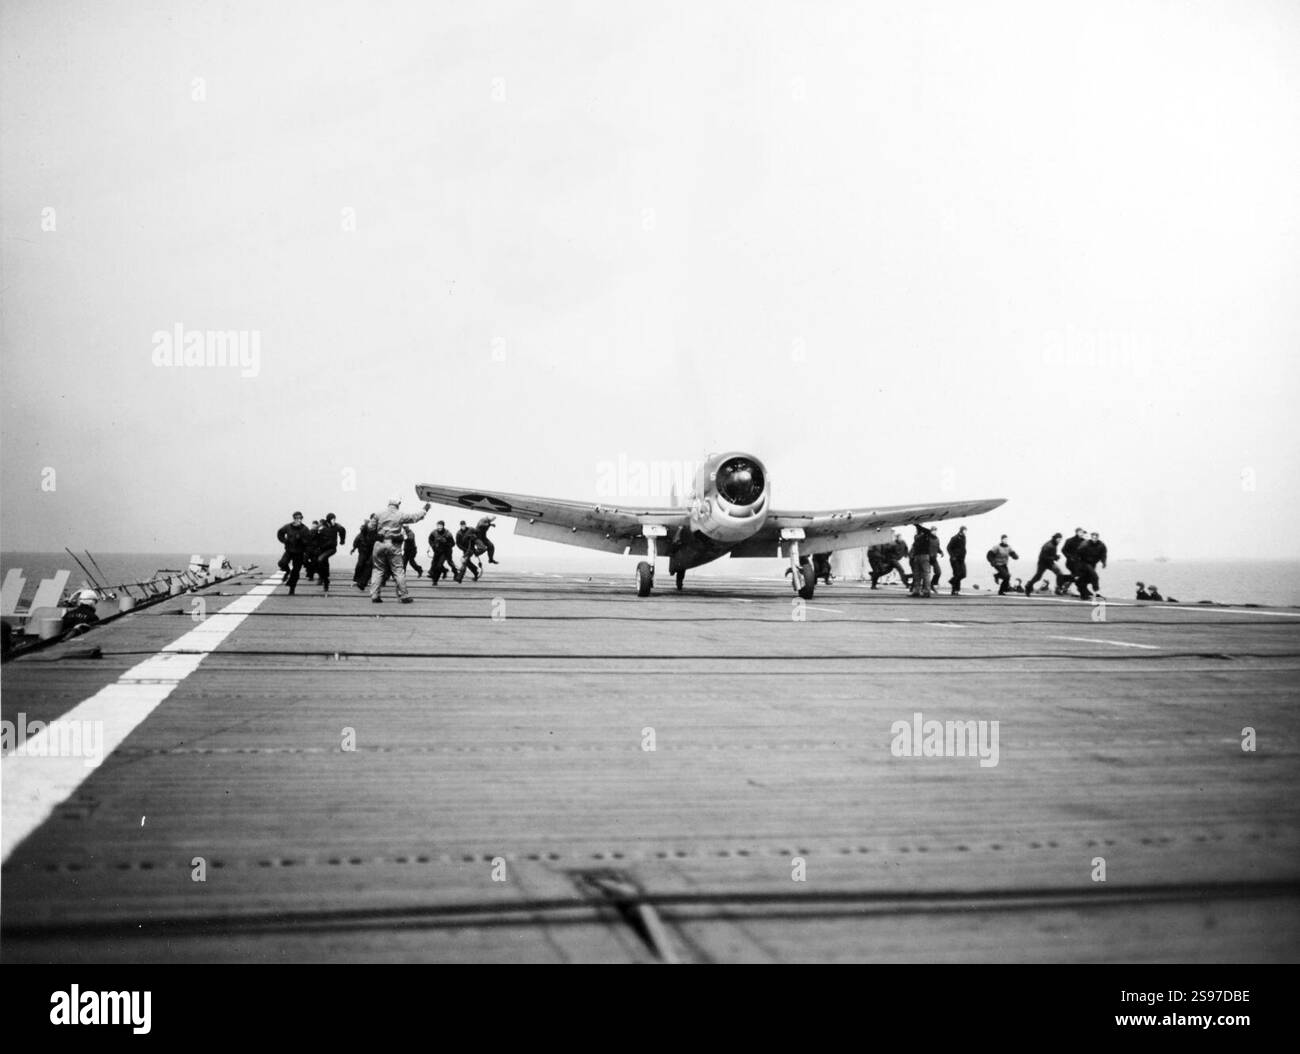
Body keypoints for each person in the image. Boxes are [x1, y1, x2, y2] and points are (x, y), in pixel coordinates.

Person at [370, 498, 431, 603]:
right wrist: (425, 509)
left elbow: (370, 527)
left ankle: (375, 595)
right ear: (398, 504)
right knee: (398, 571)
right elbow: (415, 517)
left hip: (379, 544)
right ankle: (403, 595)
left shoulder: (378, 514)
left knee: (378, 570)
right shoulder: (400, 515)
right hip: (394, 545)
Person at [277, 511, 312, 596]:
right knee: (282, 563)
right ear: (294, 518)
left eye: (300, 518)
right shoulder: (288, 527)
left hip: (299, 553)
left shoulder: (305, 529)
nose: (298, 520)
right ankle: (287, 571)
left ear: (301, 519)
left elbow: (308, 543)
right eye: (296, 518)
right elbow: (280, 533)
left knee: (295, 572)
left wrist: (306, 555)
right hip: (289, 551)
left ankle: (292, 589)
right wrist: (285, 541)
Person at [312, 517, 339, 592]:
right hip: (319, 550)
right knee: (321, 563)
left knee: (321, 561)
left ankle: (324, 580)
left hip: (327, 549)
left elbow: (332, 542)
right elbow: (311, 538)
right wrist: (315, 531)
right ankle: (323, 578)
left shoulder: (329, 530)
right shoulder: (318, 530)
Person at [1078, 531, 1108, 599]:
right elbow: (1078, 552)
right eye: (1093, 537)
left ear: (1098, 537)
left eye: (1096, 537)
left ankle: (1083, 593)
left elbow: (1103, 554)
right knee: (1095, 576)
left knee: (1086, 578)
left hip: (1093, 564)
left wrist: (1104, 562)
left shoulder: (1101, 545)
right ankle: (1097, 593)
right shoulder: (1085, 544)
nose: (1094, 539)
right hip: (1085, 563)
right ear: (1091, 537)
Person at [352, 515, 378, 590]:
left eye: (375, 520)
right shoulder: (365, 527)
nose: (374, 522)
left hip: (372, 550)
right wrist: (354, 548)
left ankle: (363, 581)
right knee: (360, 564)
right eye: (373, 520)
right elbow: (358, 537)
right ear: (371, 520)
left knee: (368, 565)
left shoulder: (377, 528)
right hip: (363, 549)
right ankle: (357, 579)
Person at [909, 525, 936, 598]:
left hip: (922, 556)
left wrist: (917, 525)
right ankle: (919, 591)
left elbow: (927, 531)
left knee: (923, 574)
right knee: (919, 574)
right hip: (919, 556)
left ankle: (924, 591)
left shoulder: (925, 536)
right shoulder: (919, 537)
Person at [1059, 528, 1086, 596]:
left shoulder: (1084, 541)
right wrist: (1069, 557)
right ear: (1077, 532)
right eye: (1081, 532)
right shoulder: (1070, 540)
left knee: (1076, 575)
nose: (1082, 534)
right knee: (1078, 575)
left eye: (1083, 533)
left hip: (1079, 563)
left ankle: (1064, 586)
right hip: (1070, 562)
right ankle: (1081, 591)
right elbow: (1063, 550)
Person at [946, 526, 968, 595]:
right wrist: (953, 556)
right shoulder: (955, 537)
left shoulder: (964, 537)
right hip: (955, 559)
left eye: (966, 530)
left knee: (963, 574)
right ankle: (955, 590)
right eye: (964, 530)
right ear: (961, 530)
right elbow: (948, 547)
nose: (965, 532)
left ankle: (952, 581)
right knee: (957, 574)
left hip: (961, 559)